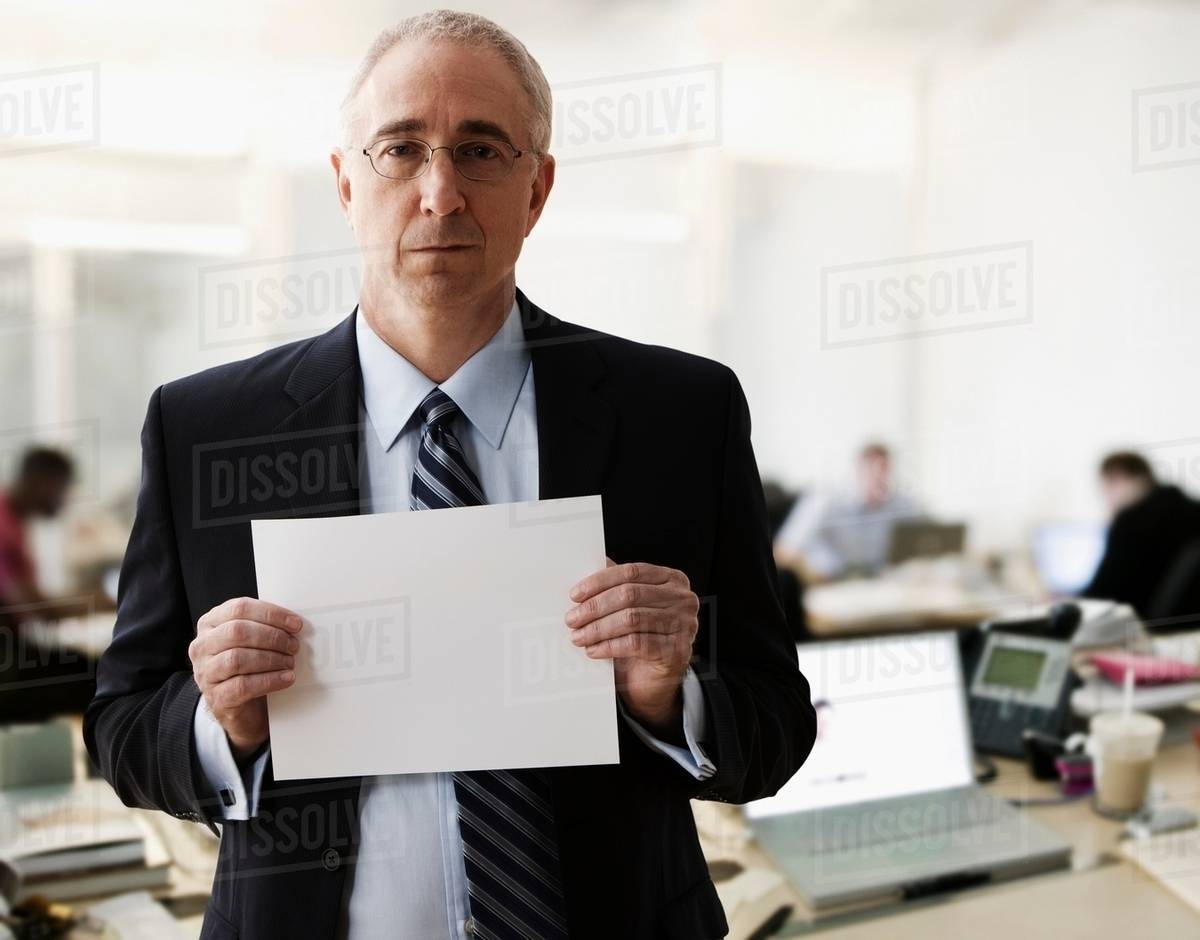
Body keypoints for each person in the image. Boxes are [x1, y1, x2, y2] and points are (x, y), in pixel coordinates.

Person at [84, 12, 815, 940]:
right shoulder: (204, 428)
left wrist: (673, 696)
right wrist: (223, 723)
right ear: (347, 183)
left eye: (481, 150)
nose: (441, 192)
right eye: (400, 150)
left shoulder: (682, 412)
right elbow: (120, 729)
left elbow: (778, 726)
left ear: (537, 187)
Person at [0, 447, 96, 720]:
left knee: (94, 669)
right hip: (8, 671)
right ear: (43, 483)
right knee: (106, 681)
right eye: (63, 489)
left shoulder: (11, 520)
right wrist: (103, 602)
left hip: (13, 657)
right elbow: (37, 609)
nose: (64, 500)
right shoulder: (3, 525)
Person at [773, 442, 924, 583]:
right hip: (829, 583)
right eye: (871, 471)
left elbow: (931, 537)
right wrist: (811, 578)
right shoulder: (825, 499)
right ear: (858, 470)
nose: (878, 478)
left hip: (881, 584)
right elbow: (783, 551)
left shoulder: (902, 505)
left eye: (883, 471)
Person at [1081, 451, 1200, 616]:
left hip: (1146, 629)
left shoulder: (1132, 522)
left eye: (1105, 490)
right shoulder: (1192, 509)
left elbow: (1101, 596)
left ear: (1116, 478)